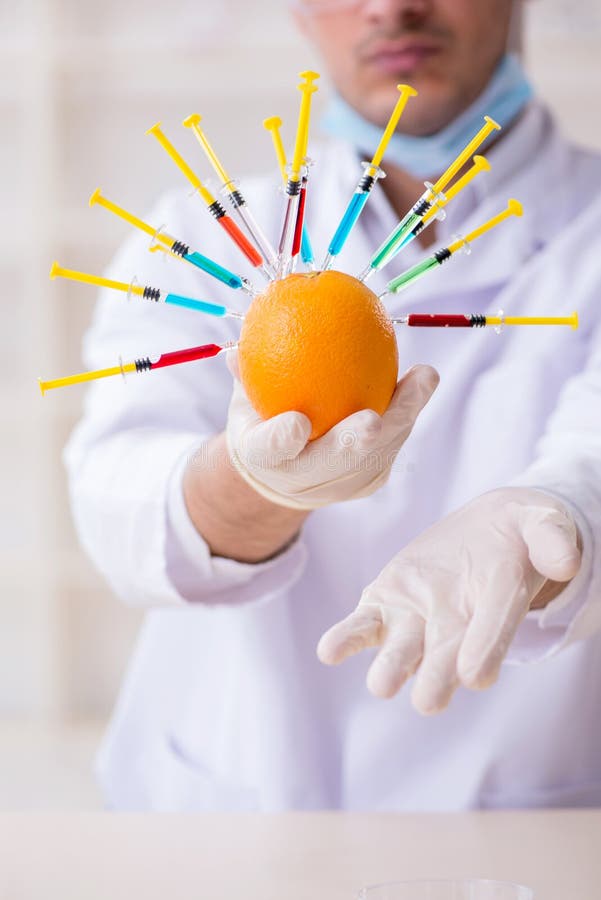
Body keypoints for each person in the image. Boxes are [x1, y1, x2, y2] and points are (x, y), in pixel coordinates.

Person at [64, 0, 601, 811]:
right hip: (233, 813)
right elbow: (121, 505)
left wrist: (553, 517)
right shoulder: (200, 242)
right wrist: (250, 487)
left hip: (522, 819)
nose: (390, 6)